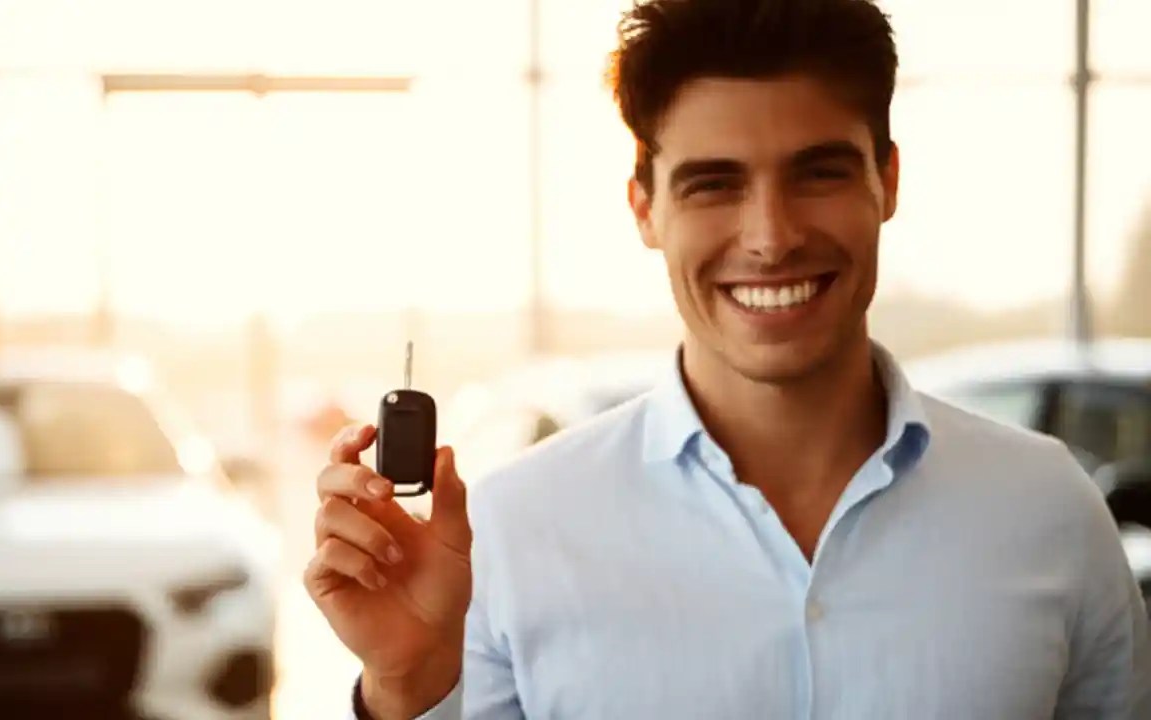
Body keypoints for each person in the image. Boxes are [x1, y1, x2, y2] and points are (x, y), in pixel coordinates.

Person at [304, 0, 1151, 717]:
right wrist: (407, 684)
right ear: (645, 208)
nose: (773, 238)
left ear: (887, 183)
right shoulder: (514, 532)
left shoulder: (1049, 509)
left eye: (817, 174)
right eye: (714, 183)